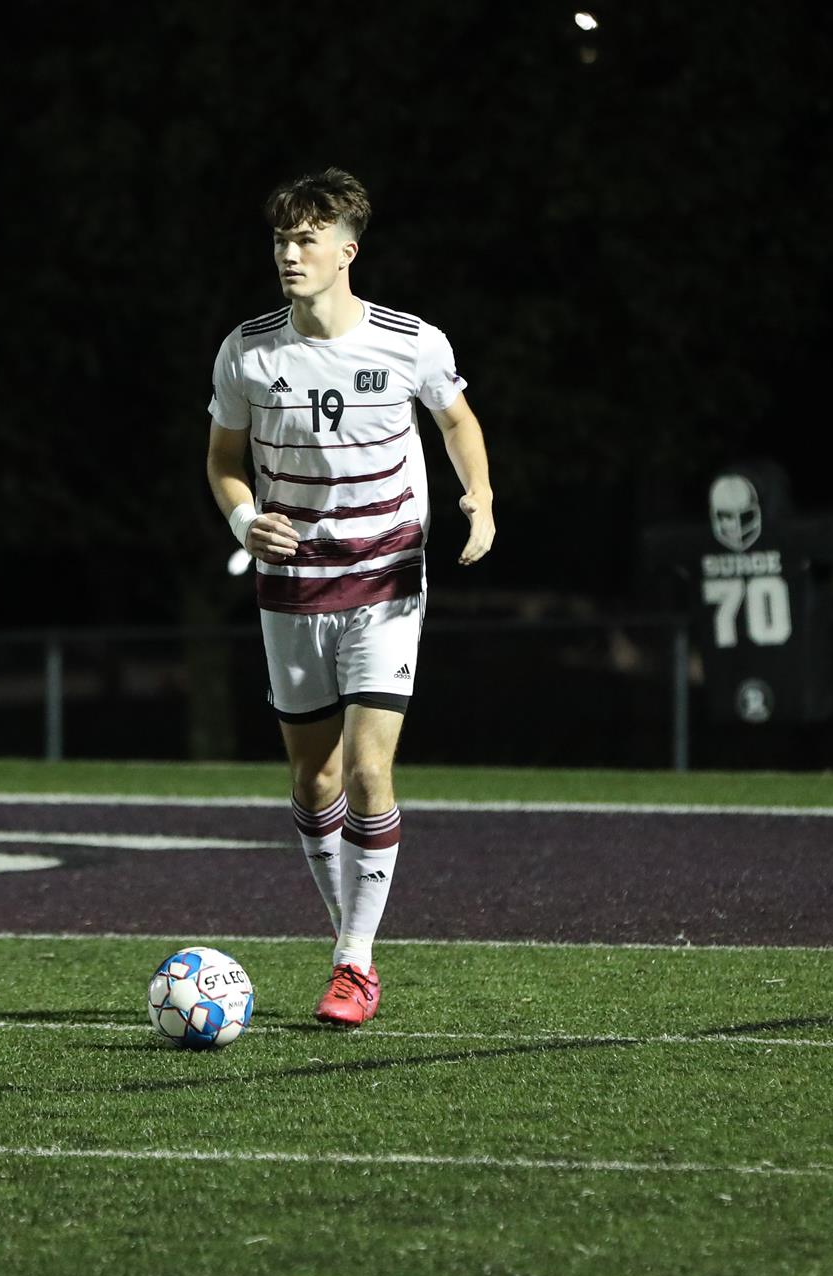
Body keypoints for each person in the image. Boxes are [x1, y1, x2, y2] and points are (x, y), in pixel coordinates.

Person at [204, 167, 496, 1026]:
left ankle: (355, 963)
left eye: (305, 240)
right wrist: (244, 519)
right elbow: (223, 459)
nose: (289, 255)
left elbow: (458, 422)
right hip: (290, 582)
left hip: (388, 575)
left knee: (370, 771)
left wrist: (479, 495)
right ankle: (349, 938)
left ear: (346, 251)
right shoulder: (247, 350)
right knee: (313, 774)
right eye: (280, 240)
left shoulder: (411, 340)